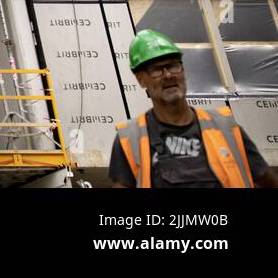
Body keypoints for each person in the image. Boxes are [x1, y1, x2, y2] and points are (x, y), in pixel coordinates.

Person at [110, 29, 275, 188]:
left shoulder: (227, 129)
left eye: (173, 66)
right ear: (141, 80)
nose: (168, 75)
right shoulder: (129, 140)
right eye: (157, 70)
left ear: (183, 69)